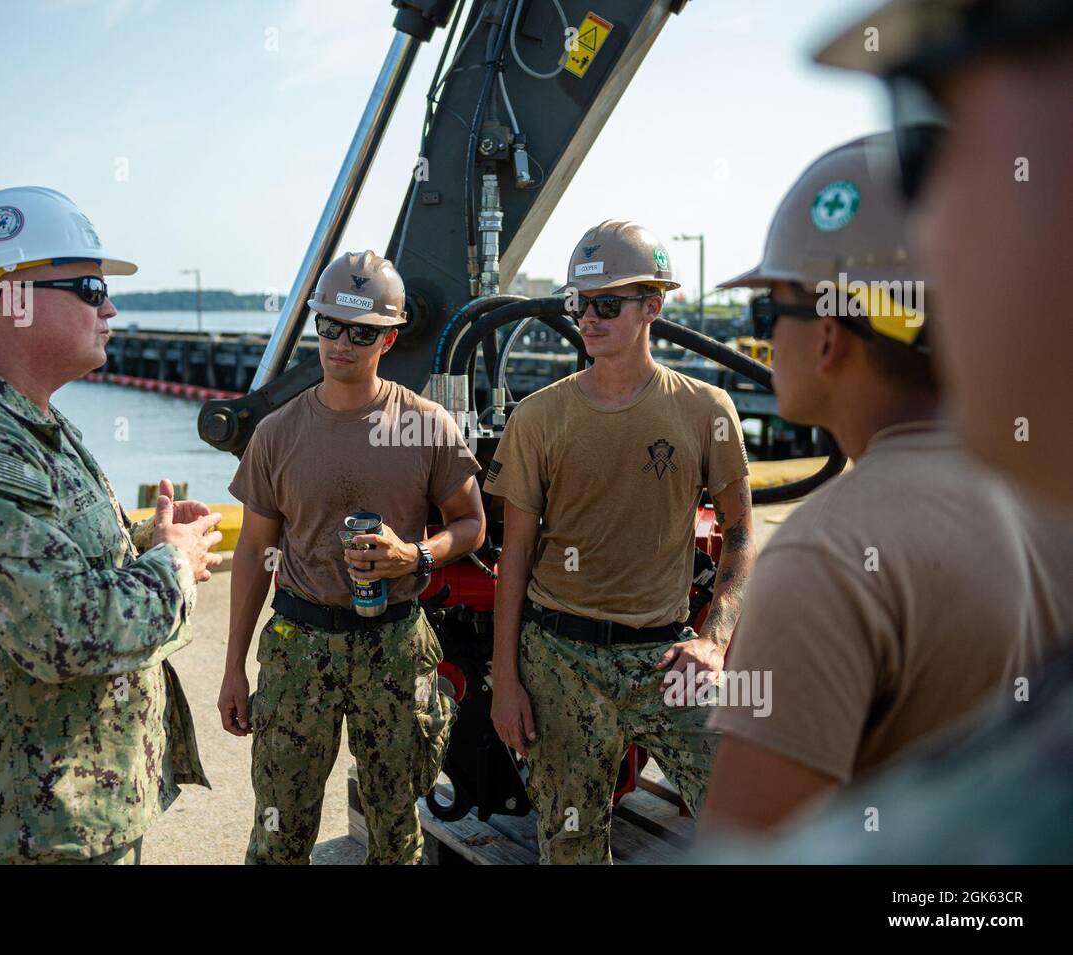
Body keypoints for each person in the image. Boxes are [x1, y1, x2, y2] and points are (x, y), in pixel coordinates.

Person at [698, 0, 1073, 863]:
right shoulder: (1042, 492)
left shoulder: (825, 553)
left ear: (829, 333)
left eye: (769, 307)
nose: (761, 331)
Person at [0, 186, 222, 864]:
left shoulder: (27, 422)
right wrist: (175, 564)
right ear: (13, 297)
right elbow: (70, 630)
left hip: (74, 814)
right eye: (92, 287)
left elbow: (67, 566)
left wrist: (151, 544)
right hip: (31, 830)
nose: (110, 307)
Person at [484, 220, 756, 864]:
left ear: (652, 308)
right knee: (571, 847)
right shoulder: (539, 417)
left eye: (608, 304)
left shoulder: (706, 410)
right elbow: (513, 557)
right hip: (559, 660)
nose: (589, 318)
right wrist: (505, 682)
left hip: (667, 657)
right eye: (581, 304)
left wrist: (715, 641)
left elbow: (743, 533)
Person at [219, 250, 485, 864]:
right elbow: (255, 548)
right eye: (330, 326)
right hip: (298, 641)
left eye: (361, 332)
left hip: (393, 643)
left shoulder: (425, 425)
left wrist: (414, 554)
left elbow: (471, 524)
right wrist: (234, 667)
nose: (341, 343)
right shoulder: (278, 433)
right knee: (280, 833)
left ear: (389, 338)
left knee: (397, 832)